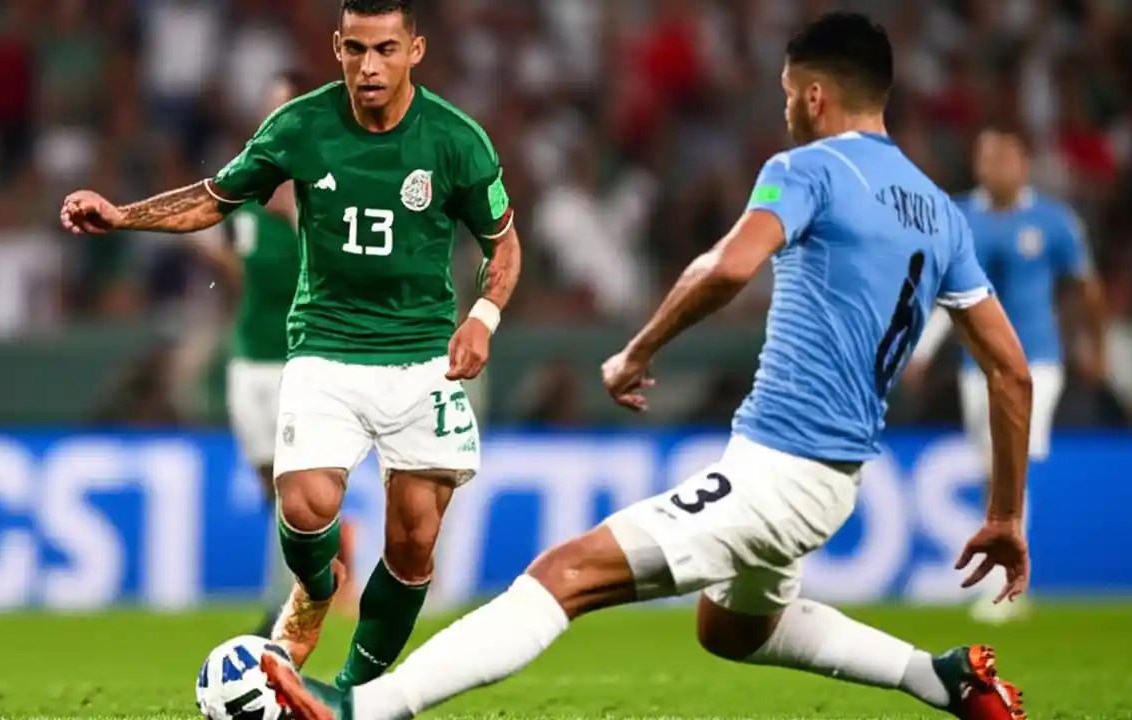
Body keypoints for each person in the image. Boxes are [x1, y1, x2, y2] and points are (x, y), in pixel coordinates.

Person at [260, 12, 1030, 720]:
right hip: (832, 477)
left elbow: (729, 268)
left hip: (782, 469)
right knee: (735, 628)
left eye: (790, 96)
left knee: (564, 573)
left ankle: (366, 710)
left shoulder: (809, 171)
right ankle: (949, 678)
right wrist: (1005, 515)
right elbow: (1010, 373)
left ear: (817, 95)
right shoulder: (939, 209)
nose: (788, 111)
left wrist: (641, 348)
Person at [59, 0, 521, 692]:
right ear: (337, 47)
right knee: (304, 506)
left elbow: (503, 245)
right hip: (326, 349)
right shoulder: (301, 126)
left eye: (386, 50)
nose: (370, 66)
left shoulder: (456, 140)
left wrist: (482, 315)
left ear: (414, 51)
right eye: (357, 49)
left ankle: (351, 691)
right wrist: (124, 215)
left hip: (423, 356)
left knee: (415, 538)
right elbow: (216, 197)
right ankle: (314, 588)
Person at [908, 127, 1105, 625]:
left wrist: (1092, 346)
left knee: (1010, 464)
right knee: (991, 471)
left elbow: (1085, 287)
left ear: (1023, 163)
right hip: (978, 364)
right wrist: (924, 348)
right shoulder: (958, 217)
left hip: (1036, 359)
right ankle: (1008, 575)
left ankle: (1007, 583)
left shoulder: (1053, 222)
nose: (992, 166)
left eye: (1001, 157)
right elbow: (940, 291)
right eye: (984, 157)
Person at [187, 68, 360, 633]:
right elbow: (234, 261)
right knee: (271, 489)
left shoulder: (329, 192)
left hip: (301, 362)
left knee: (292, 489)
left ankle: (286, 605)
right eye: (269, 106)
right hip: (248, 358)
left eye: (284, 105)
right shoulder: (249, 192)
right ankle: (329, 551)